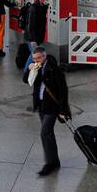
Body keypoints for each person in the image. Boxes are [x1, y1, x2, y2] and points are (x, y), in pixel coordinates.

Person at [29, 43, 70, 177]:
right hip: (41, 105)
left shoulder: (54, 69)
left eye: (38, 59)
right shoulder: (36, 67)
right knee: (49, 134)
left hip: (52, 107)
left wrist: (63, 110)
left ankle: (50, 163)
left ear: (44, 56)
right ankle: (55, 160)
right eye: (34, 59)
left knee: (45, 133)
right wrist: (30, 70)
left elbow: (63, 90)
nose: (36, 61)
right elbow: (26, 80)